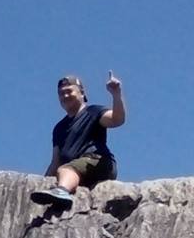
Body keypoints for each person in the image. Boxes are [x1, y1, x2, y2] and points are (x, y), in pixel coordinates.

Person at [31, 71, 126, 209]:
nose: (65, 96)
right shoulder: (59, 128)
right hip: (76, 170)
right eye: (61, 93)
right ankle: (63, 189)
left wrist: (116, 94)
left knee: (66, 169)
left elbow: (117, 119)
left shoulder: (93, 112)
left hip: (98, 162)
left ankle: (63, 191)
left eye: (69, 91)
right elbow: (55, 162)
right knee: (62, 170)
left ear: (82, 93)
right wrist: (42, 182)